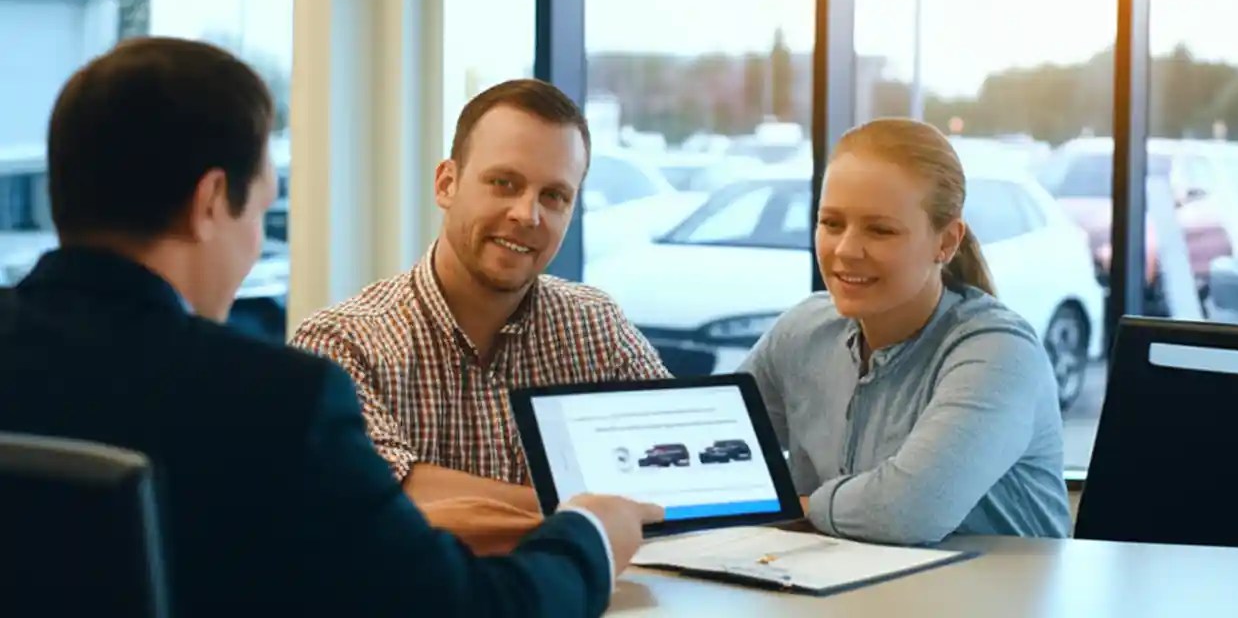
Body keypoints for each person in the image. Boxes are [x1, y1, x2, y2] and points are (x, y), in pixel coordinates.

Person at [0, 37, 661, 617]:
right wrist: (587, 531)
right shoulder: (277, 399)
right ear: (211, 204)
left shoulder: (591, 318)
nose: (528, 215)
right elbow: (458, 608)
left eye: (555, 196)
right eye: (261, 210)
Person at [291, 79, 670, 513]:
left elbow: (679, 470)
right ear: (446, 184)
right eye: (504, 183)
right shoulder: (342, 345)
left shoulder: (595, 326)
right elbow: (385, 496)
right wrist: (588, 510)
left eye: (554, 196)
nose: (527, 215)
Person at [741, 118, 1072, 545]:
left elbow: (904, 512)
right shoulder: (803, 331)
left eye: (880, 230)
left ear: (946, 242)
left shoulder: (999, 352)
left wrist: (793, 509)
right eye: (832, 223)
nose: (845, 250)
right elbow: (710, 451)